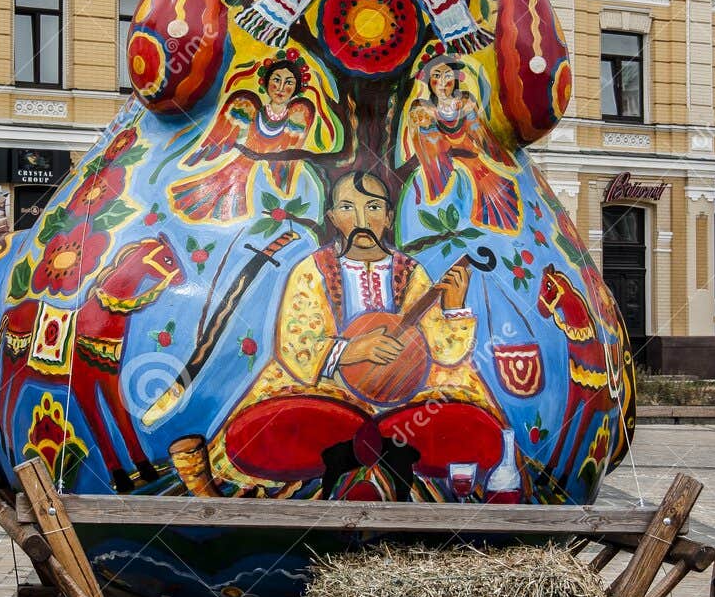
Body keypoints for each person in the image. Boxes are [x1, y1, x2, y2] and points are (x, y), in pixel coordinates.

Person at [215, 167, 509, 497]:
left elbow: (446, 353)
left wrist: (454, 307)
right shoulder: (312, 270)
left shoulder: (411, 273)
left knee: (473, 426)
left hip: (407, 398)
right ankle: (369, 452)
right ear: (331, 217)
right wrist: (351, 351)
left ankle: (373, 451)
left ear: (388, 215)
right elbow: (295, 343)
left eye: (372, 207)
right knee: (264, 429)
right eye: (347, 208)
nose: (361, 219)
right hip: (331, 392)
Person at [169, 50, 319, 223]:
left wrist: (266, 159)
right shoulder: (249, 106)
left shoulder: (298, 115)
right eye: (276, 80)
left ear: (296, 89)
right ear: (266, 82)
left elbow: (288, 155)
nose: (280, 88)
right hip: (239, 161)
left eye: (289, 83)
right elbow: (226, 136)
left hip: (256, 169)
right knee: (220, 183)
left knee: (244, 194)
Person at [404, 47, 522, 232]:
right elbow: (429, 146)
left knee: (498, 189)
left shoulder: (465, 102)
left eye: (448, 76)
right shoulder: (423, 108)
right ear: (429, 81)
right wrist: (426, 126)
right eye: (437, 75)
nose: (443, 82)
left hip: (474, 159)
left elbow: (481, 136)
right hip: (448, 162)